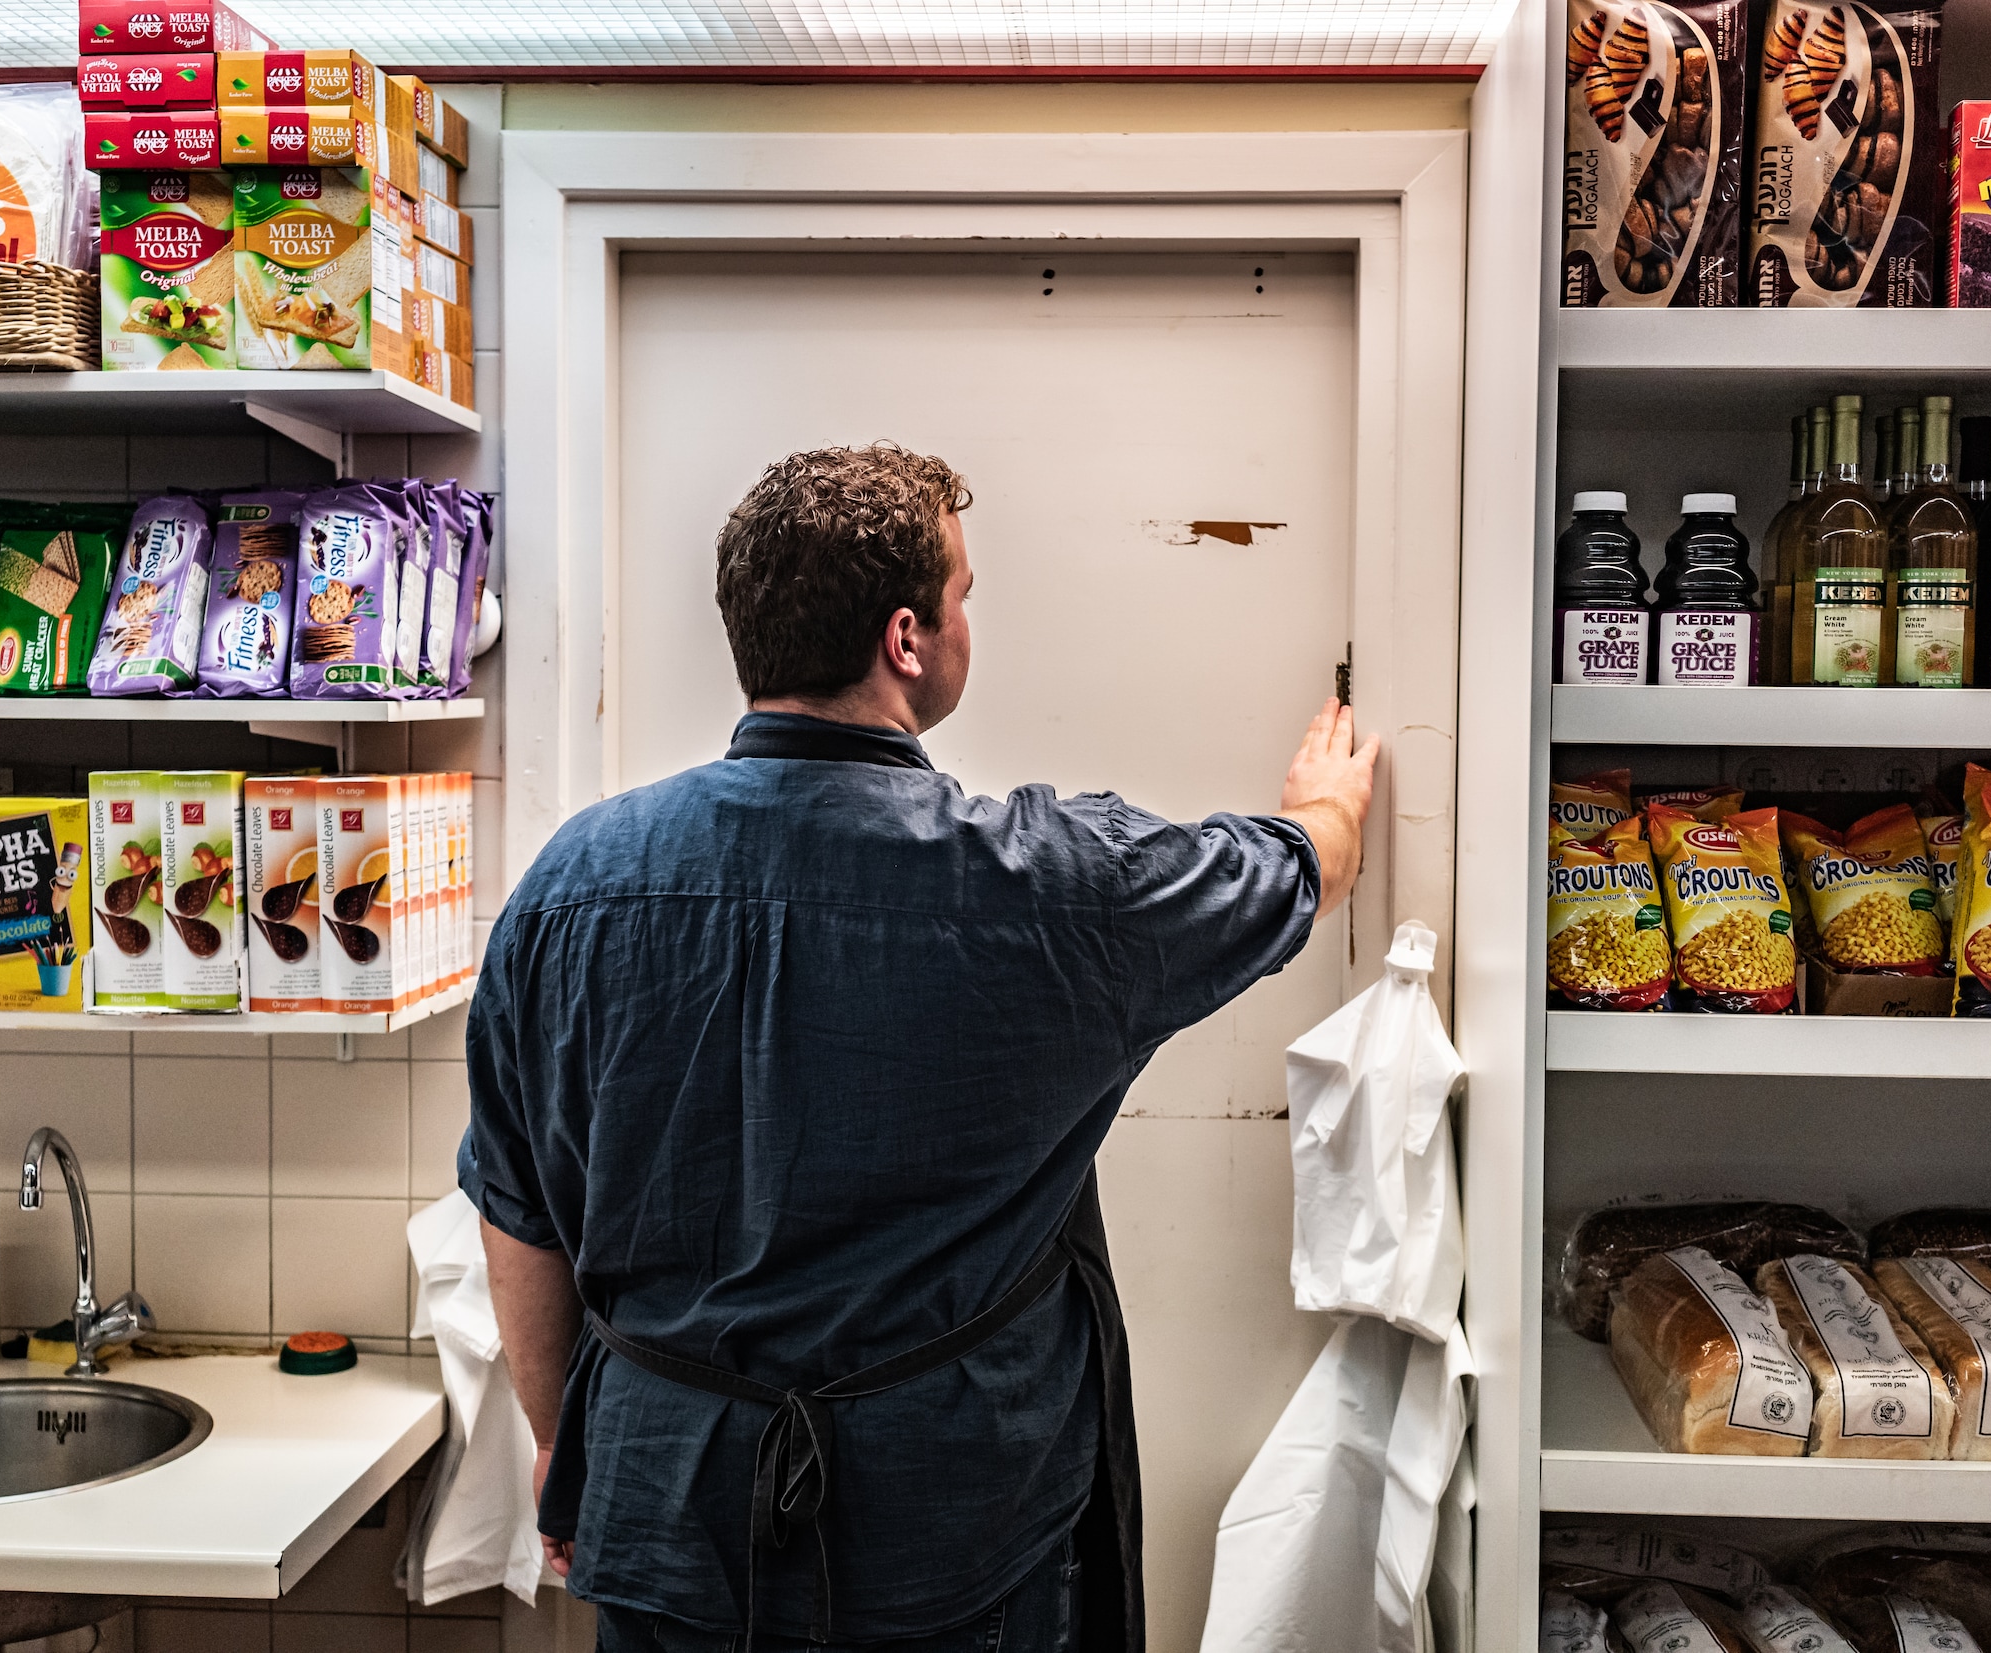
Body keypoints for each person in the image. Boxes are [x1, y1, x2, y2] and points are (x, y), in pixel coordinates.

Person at [462, 443, 1378, 1653]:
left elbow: (519, 1211)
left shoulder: (570, 884)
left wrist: (558, 1441)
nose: (963, 620)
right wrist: (1328, 805)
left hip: (662, 1501)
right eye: (962, 595)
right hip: (950, 1528)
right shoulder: (1053, 888)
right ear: (906, 638)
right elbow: (1293, 874)